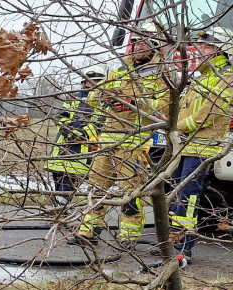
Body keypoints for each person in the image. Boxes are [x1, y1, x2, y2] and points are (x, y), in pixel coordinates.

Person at [68, 21, 167, 248]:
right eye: (135, 42)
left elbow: (163, 106)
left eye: (143, 43)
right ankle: (88, 232)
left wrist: (133, 102)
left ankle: (128, 237)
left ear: (155, 45)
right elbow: (93, 96)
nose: (137, 47)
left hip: (135, 142)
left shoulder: (161, 73)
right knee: (96, 187)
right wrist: (103, 96)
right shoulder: (121, 69)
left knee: (131, 191)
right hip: (108, 137)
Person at [163, 27, 233, 262]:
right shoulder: (201, 76)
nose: (199, 49)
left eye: (205, 45)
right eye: (199, 45)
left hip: (202, 146)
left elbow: (208, 114)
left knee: (189, 196)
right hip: (185, 144)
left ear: (219, 49)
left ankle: (184, 246)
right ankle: (172, 242)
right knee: (176, 192)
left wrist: (176, 127)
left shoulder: (226, 76)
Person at [46, 68, 105, 206]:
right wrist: (67, 130)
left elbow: (101, 123)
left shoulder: (103, 101)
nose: (91, 84)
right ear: (83, 82)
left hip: (82, 152)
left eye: (96, 81)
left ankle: (60, 211)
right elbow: (61, 116)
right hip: (62, 150)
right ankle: (60, 209)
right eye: (89, 81)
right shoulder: (73, 98)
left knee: (68, 185)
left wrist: (81, 134)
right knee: (59, 184)